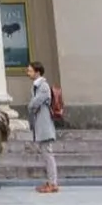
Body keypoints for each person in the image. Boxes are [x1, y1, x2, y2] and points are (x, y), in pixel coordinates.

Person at [27, 61, 59, 194]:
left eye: (30, 70)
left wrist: (30, 106)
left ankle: (53, 183)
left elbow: (36, 102)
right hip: (40, 124)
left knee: (48, 154)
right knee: (46, 154)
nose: (28, 73)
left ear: (37, 72)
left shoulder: (43, 86)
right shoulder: (36, 86)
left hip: (44, 124)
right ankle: (51, 181)